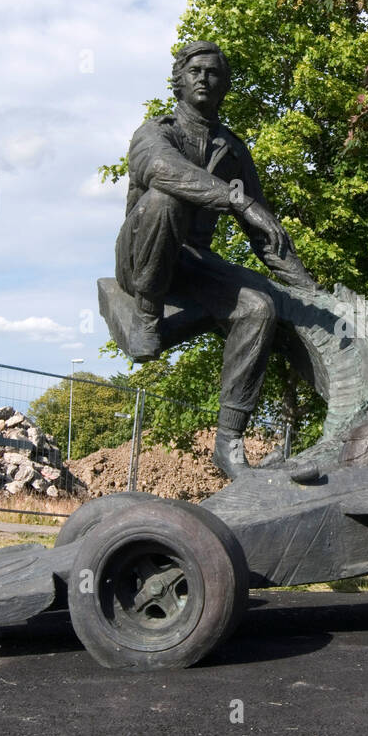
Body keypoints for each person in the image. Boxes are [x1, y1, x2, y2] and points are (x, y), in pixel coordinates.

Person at [114, 40, 316, 478]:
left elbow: (264, 232)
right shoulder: (154, 132)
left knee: (258, 309)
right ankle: (147, 315)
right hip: (142, 255)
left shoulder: (233, 149)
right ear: (179, 82)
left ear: (225, 85)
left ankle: (228, 443)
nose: (204, 79)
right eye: (195, 71)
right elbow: (163, 170)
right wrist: (240, 202)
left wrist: (309, 289)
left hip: (193, 263)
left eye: (213, 73)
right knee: (166, 199)